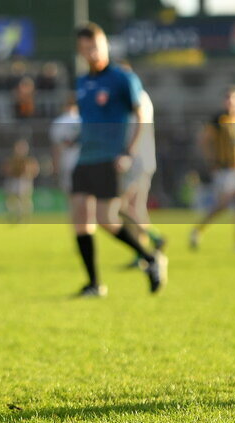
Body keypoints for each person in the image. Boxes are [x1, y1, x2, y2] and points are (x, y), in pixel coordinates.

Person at [70, 23, 166, 298]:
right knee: (79, 217)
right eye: (85, 49)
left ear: (104, 46)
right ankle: (93, 284)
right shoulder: (81, 82)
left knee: (106, 218)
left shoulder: (122, 78)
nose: (90, 53)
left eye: (95, 47)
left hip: (109, 158)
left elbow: (141, 114)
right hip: (85, 157)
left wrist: (128, 151)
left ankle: (149, 257)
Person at [190, 85, 235, 252]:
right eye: (228, 98)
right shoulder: (218, 120)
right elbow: (204, 141)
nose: (231, 102)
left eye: (234, 98)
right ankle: (198, 230)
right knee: (222, 205)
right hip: (224, 169)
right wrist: (211, 162)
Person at [117, 65, 164, 266]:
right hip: (144, 158)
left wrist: (127, 152)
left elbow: (139, 125)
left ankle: (154, 237)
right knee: (136, 207)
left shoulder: (136, 97)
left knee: (115, 205)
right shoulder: (142, 96)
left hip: (135, 160)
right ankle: (141, 253)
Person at [49, 94, 81, 197]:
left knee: (71, 196)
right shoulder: (83, 120)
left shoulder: (58, 122)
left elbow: (56, 148)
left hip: (66, 162)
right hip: (85, 162)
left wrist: (55, 167)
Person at [2, 139, 39, 223]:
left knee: (24, 200)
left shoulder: (29, 160)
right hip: (13, 180)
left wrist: (28, 174)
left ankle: (24, 217)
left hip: (24, 181)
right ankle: (14, 216)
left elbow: (35, 170)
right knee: (12, 200)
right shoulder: (12, 160)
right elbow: (6, 170)